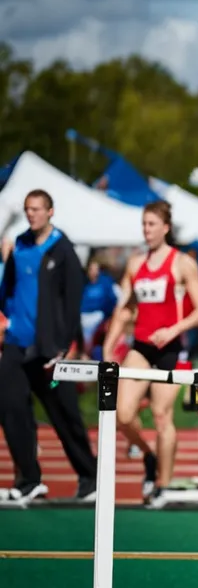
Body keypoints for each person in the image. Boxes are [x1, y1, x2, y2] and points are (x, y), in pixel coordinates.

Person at [104, 200, 198, 506]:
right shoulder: (135, 264)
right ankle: (148, 456)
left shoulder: (182, 263)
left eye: (152, 224)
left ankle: (163, 485)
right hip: (141, 347)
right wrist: (109, 346)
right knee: (123, 415)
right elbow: (124, 310)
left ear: (165, 228)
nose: (146, 230)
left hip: (171, 349)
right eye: (144, 224)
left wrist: (174, 329)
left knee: (162, 416)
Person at [0, 190, 96, 502]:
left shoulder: (63, 250)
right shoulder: (19, 246)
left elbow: (72, 302)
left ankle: (90, 478)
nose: (32, 215)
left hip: (51, 350)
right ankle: (30, 479)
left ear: (50, 212)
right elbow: (7, 293)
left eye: (38, 209)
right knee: (10, 406)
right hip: (17, 344)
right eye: (28, 209)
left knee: (66, 415)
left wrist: (66, 345)